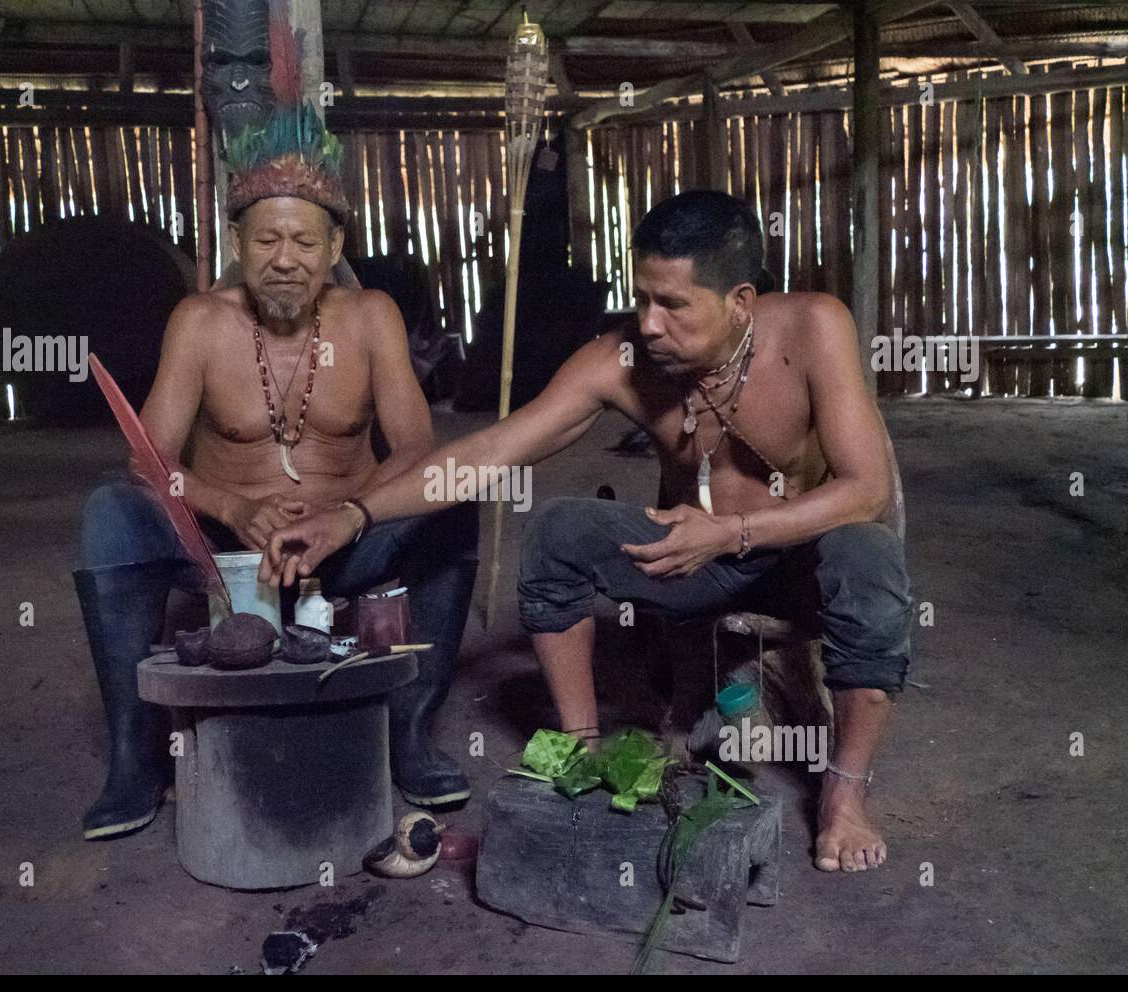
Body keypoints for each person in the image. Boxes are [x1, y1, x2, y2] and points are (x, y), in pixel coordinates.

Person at [261, 189, 912, 874]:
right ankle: (581, 745)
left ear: (741, 302)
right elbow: (485, 454)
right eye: (642, 298)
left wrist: (732, 531)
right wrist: (355, 513)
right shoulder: (620, 359)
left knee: (867, 551)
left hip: (799, 561)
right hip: (696, 560)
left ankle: (843, 794)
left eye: (674, 304)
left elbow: (866, 488)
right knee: (558, 531)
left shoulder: (814, 327)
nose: (649, 323)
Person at [72, 99, 477, 842]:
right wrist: (230, 502)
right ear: (236, 240)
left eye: (302, 240)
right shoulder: (200, 322)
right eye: (265, 240)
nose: (283, 259)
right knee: (109, 514)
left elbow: (418, 449)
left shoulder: (372, 317)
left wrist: (346, 514)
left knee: (455, 494)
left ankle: (411, 732)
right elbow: (147, 459)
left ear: (334, 247)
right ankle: (134, 760)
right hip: (225, 560)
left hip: (345, 550)